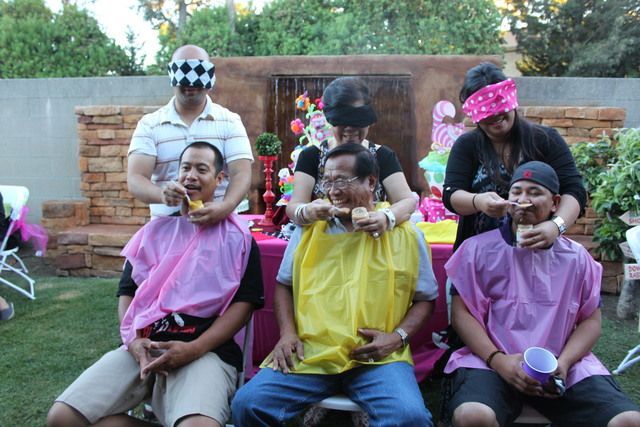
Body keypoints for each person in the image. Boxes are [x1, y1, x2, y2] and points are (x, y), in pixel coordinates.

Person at [47, 142, 264, 427]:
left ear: (220, 178)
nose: (191, 176)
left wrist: (195, 348)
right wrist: (134, 342)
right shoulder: (154, 231)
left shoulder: (239, 238)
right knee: (62, 418)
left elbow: (244, 305)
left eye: (202, 169)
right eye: (185, 168)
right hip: (145, 345)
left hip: (205, 350)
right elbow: (127, 292)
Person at [232, 143, 438, 426]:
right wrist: (288, 333)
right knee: (248, 404)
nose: (333, 190)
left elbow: (426, 299)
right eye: (327, 181)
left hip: (376, 358)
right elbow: (284, 285)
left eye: (342, 180)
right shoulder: (308, 230)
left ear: (372, 182)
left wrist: (398, 337)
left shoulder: (405, 234)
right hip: (311, 353)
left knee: (409, 417)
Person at [443, 161, 640, 427]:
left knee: (628, 421)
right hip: (490, 362)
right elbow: (461, 314)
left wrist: (565, 363)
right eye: (517, 192)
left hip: (560, 364)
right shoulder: (477, 250)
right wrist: (498, 361)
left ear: (555, 202)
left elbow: (591, 321)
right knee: (473, 416)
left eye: (535, 192)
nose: (523, 199)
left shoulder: (576, 258)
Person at [443, 62, 586, 251]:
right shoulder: (467, 145)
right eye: (487, 115)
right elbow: (451, 194)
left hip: (538, 255)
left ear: (511, 100)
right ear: (474, 114)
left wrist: (555, 227)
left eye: (500, 111)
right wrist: (478, 201)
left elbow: (574, 191)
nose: (495, 120)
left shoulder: (545, 140)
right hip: (481, 259)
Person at [127, 44, 253, 225]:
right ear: (172, 75)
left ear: (210, 77)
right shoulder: (150, 125)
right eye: (184, 74)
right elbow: (136, 178)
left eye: (199, 74)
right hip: (166, 235)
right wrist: (162, 195)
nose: (191, 84)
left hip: (220, 232)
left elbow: (241, 172)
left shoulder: (230, 122)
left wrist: (226, 206)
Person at [286, 76, 416, 238]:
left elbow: (407, 200)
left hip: (372, 244)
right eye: (342, 121)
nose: (350, 128)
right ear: (329, 120)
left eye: (357, 120)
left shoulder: (383, 156)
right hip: (324, 247)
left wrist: (387, 217)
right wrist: (307, 211)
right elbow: (294, 205)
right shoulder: (311, 156)